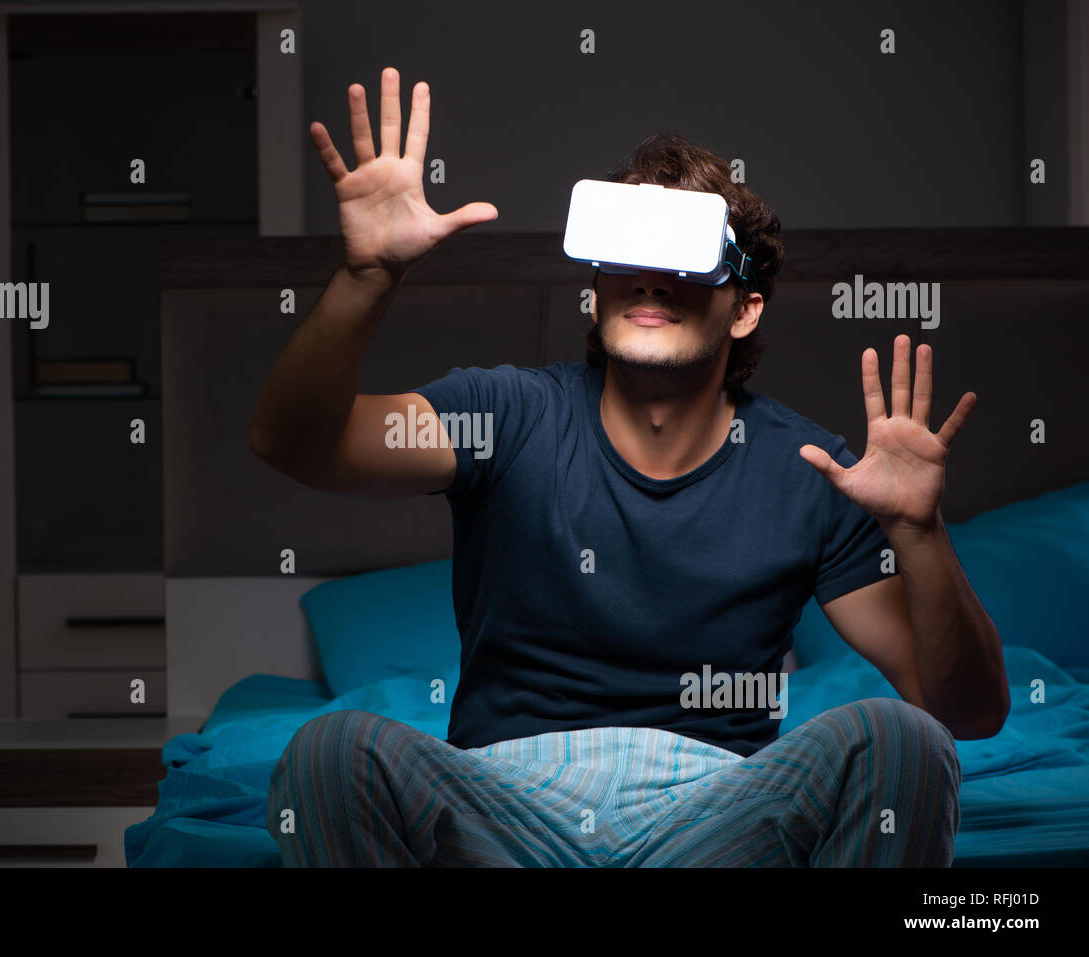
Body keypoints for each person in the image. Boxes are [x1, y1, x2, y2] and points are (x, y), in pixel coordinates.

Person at [251, 66, 1009, 867]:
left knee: (902, 738)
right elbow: (295, 442)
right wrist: (366, 278)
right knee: (330, 753)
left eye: (683, 252)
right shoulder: (505, 415)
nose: (651, 276)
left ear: (744, 306)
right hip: (503, 811)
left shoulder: (810, 469)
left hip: (716, 819)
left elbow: (967, 712)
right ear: (597, 285)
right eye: (628, 250)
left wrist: (919, 532)